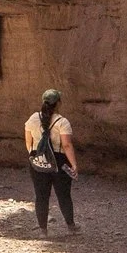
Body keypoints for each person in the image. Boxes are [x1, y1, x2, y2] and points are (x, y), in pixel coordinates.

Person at [27, 88, 80, 235]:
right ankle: (71, 227)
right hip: (60, 160)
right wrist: (74, 164)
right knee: (63, 194)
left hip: (39, 160)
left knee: (41, 195)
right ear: (58, 103)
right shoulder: (62, 122)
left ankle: (43, 230)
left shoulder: (32, 119)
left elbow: (28, 143)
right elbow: (67, 145)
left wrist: (36, 158)